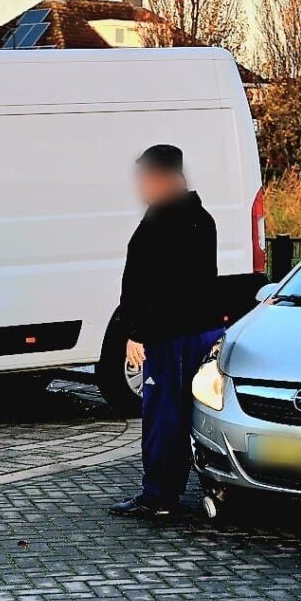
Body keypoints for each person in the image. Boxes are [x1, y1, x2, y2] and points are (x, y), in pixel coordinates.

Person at [110, 144, 221, 518]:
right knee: (196, 412)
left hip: (167, 337)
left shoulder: (160, 221)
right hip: (198, 330)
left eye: (145, 177)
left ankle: (159, 495)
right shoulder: (201, 218)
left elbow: (148, 283)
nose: (141, 185)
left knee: (163, 416)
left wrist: (137, 331)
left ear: (163, 179)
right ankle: (206, 487)